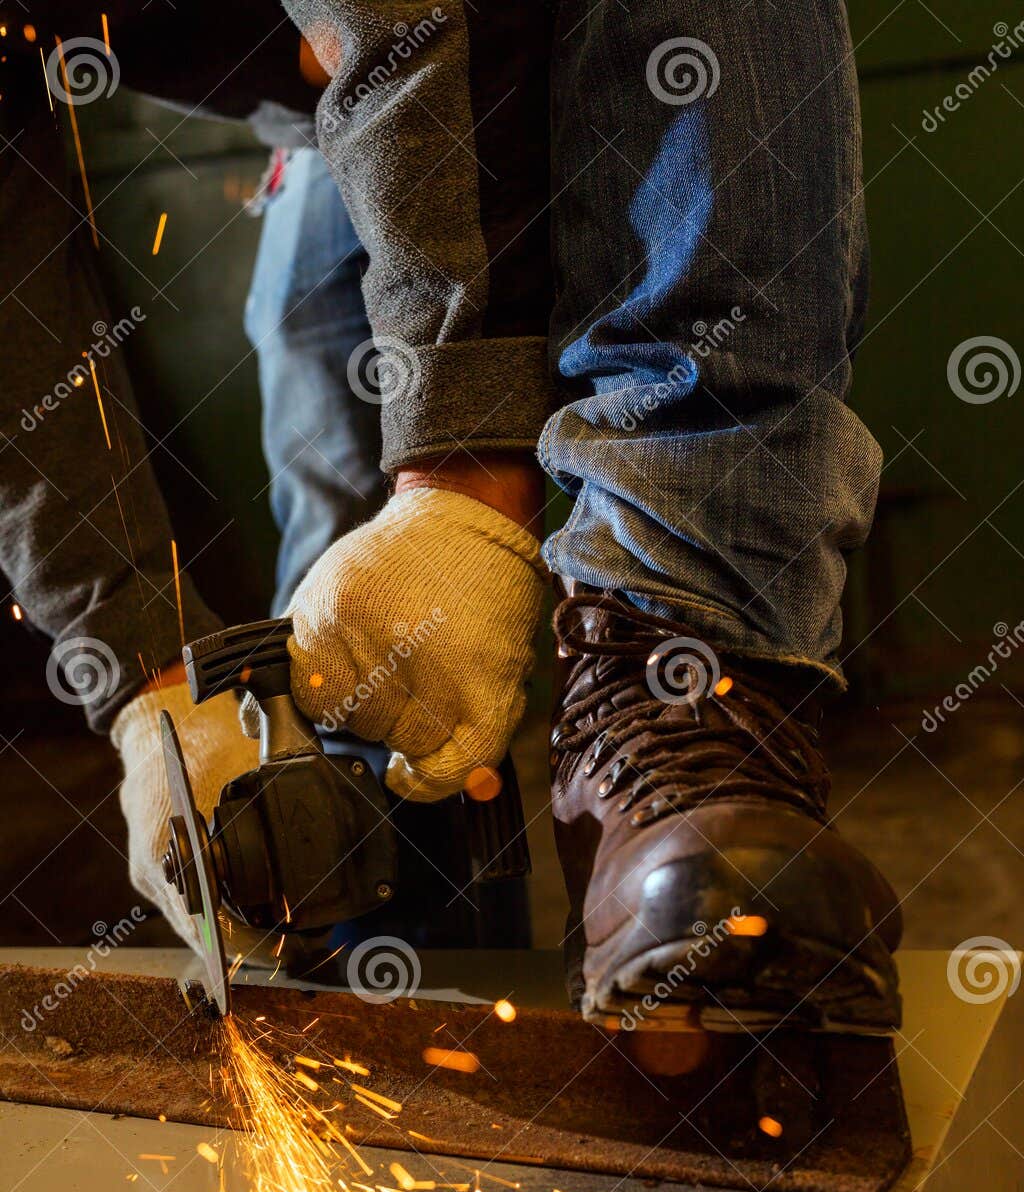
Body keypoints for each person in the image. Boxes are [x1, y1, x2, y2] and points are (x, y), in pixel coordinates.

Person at [4, 3, 902, 1032]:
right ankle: (371, 899)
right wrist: (145, 675)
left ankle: (682, 696)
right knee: (317, 333)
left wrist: (461, 476)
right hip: (331, 85)